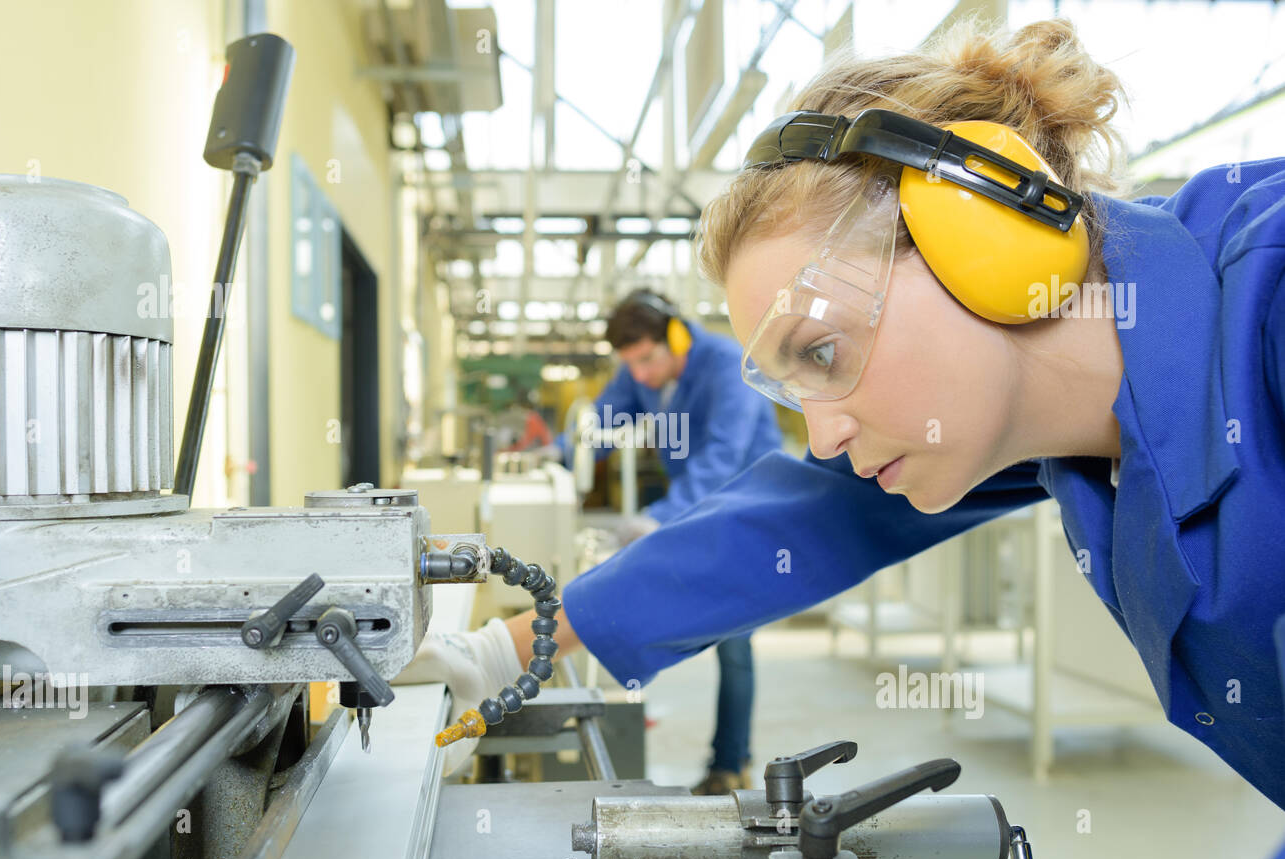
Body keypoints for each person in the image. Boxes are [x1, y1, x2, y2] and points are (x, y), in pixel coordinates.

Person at [414, 18, 1285, 818]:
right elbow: (795, 517)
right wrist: (505, 651)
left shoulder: (1271, 302)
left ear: (985, 225)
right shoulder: (1061, 435)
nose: (824, 434)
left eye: (821, 352)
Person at [552, 290, 784, 792]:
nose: (637, 375)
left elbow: (723, 457)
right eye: (628, 364)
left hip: (747, 509)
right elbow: (602, 424)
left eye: (645, 360)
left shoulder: (729, 366)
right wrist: (553, 459)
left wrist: (661, 517)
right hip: (696, 507)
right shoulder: (644, 373)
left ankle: (729, 765)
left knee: (734, 640)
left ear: (675, 337)